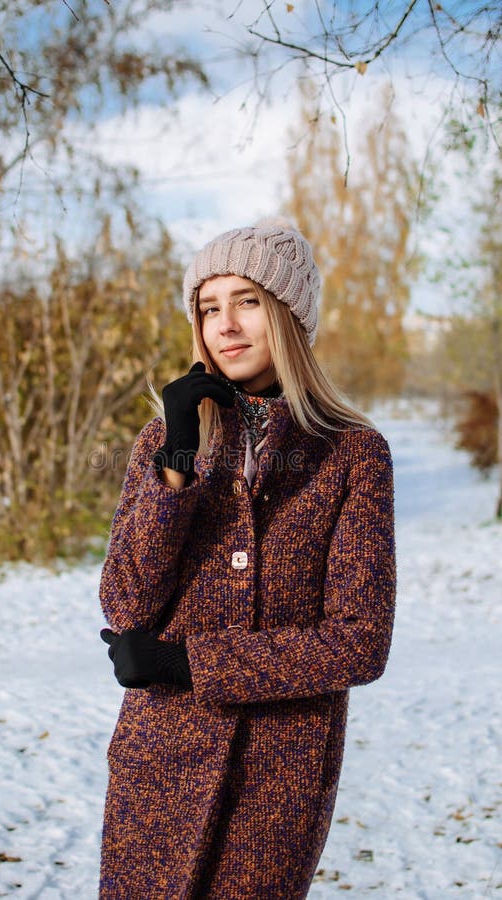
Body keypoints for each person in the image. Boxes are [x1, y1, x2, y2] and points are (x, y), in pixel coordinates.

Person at [98, 219, 396, 899]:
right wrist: (176, 460)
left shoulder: (353, 453)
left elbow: (360, 643)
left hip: (278, 782)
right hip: (159, 768)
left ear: (289, 315)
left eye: (248, 301)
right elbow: (126, 605)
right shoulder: (165, 440)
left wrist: (187, 663)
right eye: (208, 307)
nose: (224, 325)